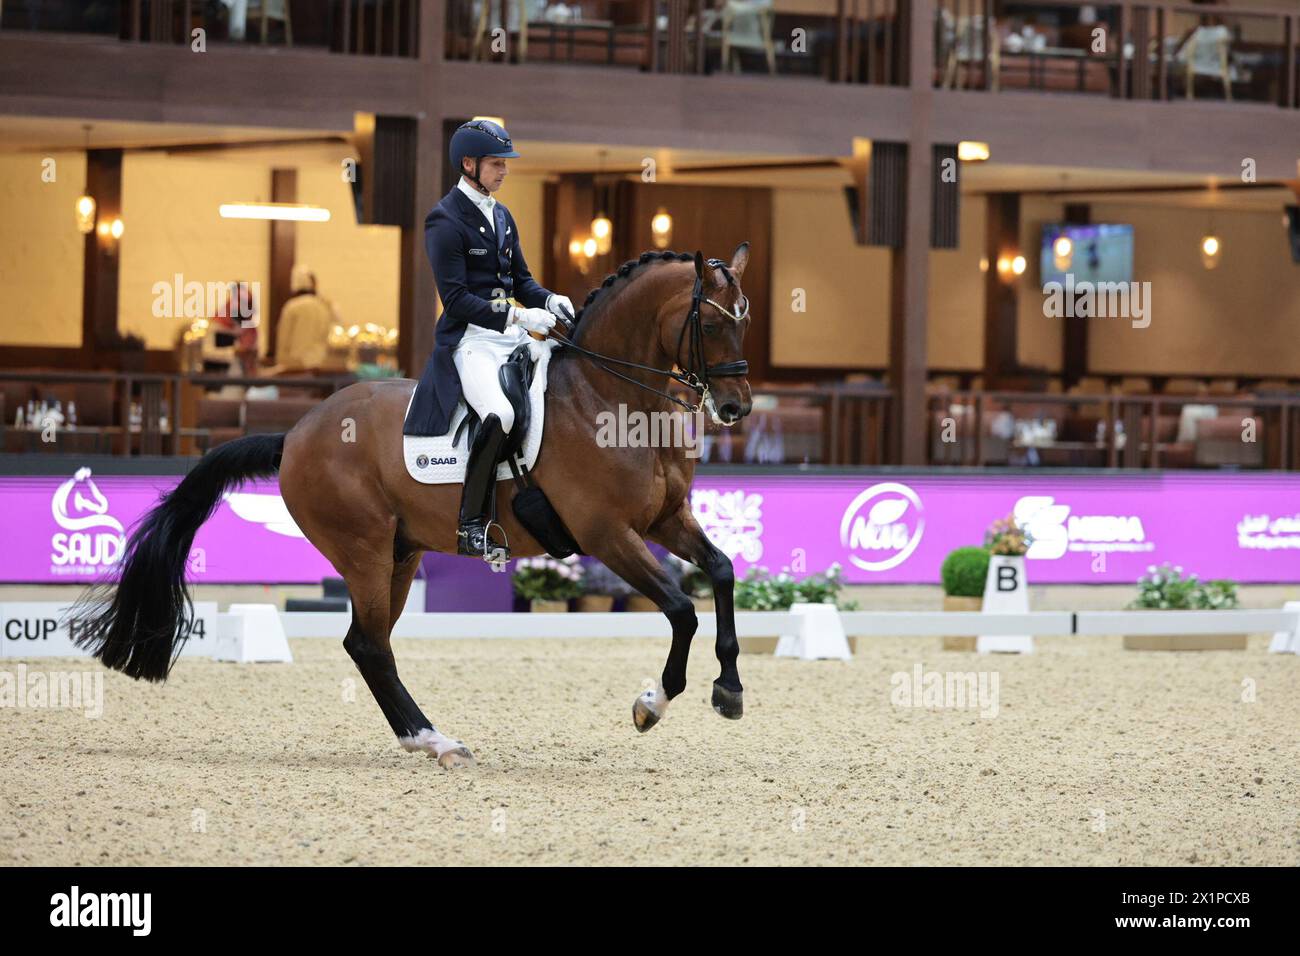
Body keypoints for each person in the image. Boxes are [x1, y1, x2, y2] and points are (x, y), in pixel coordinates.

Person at [409, 118, 573, 560]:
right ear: (469, 164)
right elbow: (457, 300)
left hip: (513, 335)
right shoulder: (443, 220)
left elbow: (522, 280)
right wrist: (518, 315)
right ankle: (471, 523)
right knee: (499, 413)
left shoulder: (502, 215)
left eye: (505, 164)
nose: (504, 171)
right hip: (472, 340)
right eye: (496, 164)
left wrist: (551, 299)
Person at [276, 264, 336, 371]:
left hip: (296, 367)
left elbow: (283, 341)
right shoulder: (325, 306)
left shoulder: (291, 306)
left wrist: (282, 362)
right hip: (321, 366)